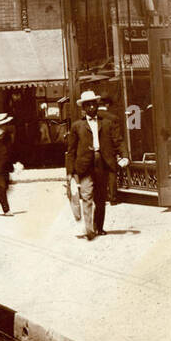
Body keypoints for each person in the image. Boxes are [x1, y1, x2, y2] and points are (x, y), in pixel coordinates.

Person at [66, 91, 129, 240]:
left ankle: (98, 227)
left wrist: (124, 156)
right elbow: (71, 151)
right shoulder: (77, 126)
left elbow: (118, 141)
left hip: (103, 162)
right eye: (88, 104)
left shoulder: (107, 123)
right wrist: (69, 172)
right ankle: (89, 229)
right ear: (83, 108)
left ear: (97, 105)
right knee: (87, 195)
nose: (91, 107)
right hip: (85, 165)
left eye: (93, 103)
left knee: (100, 199)